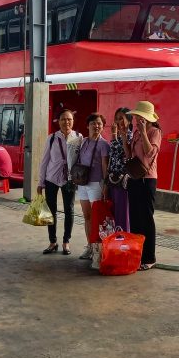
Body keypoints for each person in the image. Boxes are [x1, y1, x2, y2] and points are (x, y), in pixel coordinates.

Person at [37, 109, 82, 256]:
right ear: (58, 121)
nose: (66, 122)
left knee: (69, 210)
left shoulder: (78, 137)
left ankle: (66, 242)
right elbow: (44, 161)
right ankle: (52, 241)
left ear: (73, 121)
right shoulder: (51, 138)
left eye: (69, 119)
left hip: (69, 179)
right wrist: (41, 182)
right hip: (52, 178)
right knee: (51, 211)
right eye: (63, 119)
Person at [125, 101, 161, 271]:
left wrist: (143, 132)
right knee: (135, 217)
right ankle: (137, 254)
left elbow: (150, 152)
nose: (135, 118)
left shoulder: (154, 132)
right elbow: (130, 155)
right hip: (135, 178)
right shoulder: (136, 133)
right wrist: (126, 138)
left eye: (138, 116)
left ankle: (149, 257)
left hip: (147, 180)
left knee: (146, 218)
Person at [75, 113, 111, 260]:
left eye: (99, 124)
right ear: (87, 125)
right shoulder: (83, 142)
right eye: (93, 123)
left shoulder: (104, 144)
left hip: (96, 183)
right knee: (87, 216)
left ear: (102, 127)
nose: (96, 126)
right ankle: (90, 246)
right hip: (82, 183)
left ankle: (98, 248)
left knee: (97, 218)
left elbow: (104, 165)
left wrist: (105, 185)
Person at [107, 107, 132, 232]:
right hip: (113, 178)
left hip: (123, 179)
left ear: (129, 120)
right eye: (116, 118)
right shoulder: (117, 135)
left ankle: (124, 239)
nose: (118, 121)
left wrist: (116, 135)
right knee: (114, 211)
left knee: (122, 211)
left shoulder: (130, 136)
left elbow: (124, 153)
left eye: (121, 118)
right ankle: (115, 239)